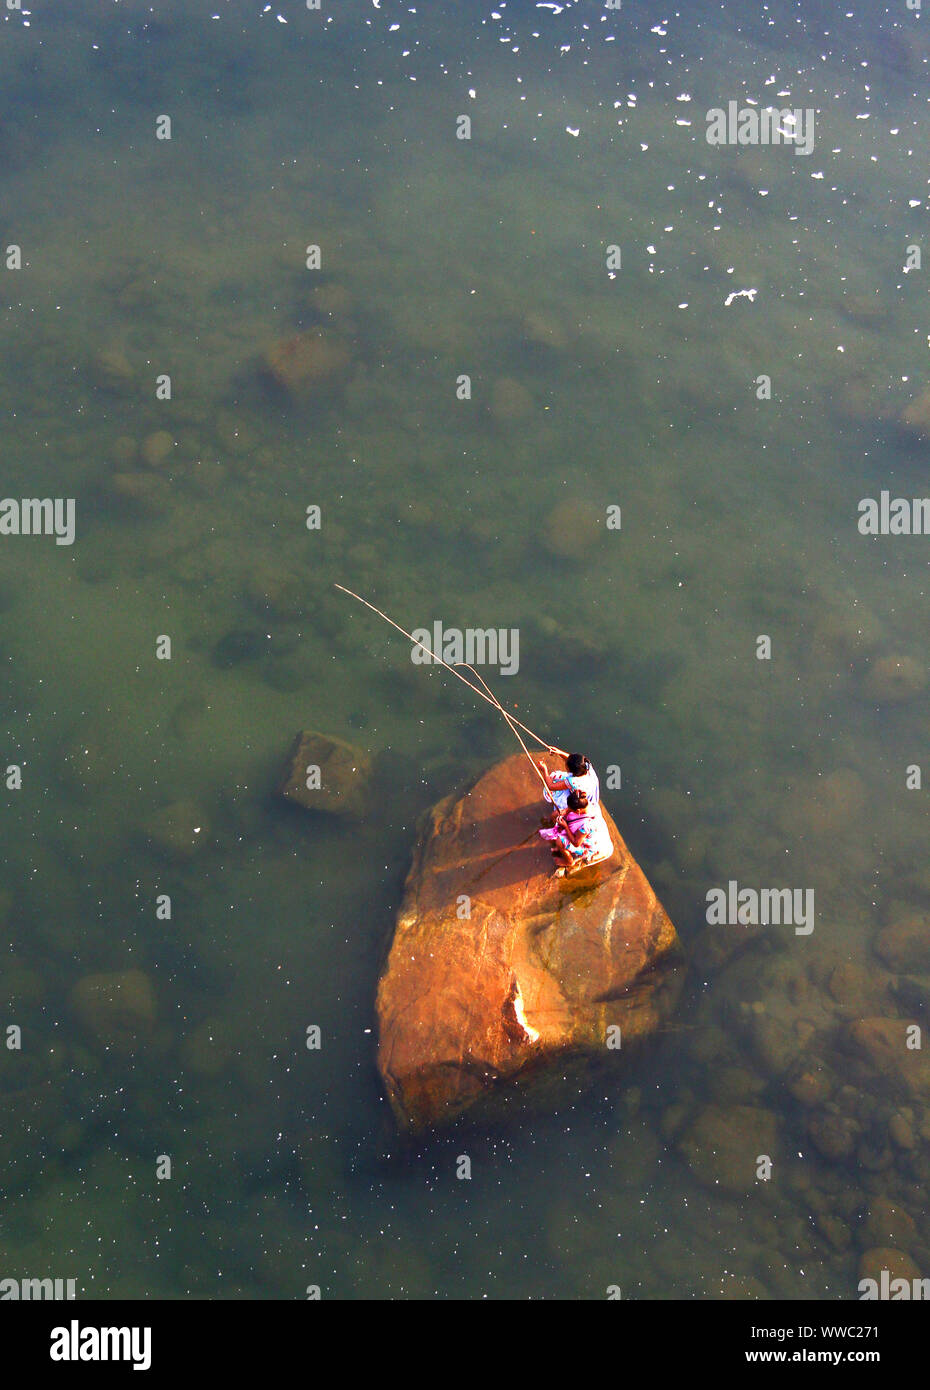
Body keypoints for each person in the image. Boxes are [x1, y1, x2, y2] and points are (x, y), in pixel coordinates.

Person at [538, 788, 612, 877]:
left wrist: (565, 826)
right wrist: (566, 811)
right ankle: (562, 849)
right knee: (556, 815)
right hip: (581, 833)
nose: (568, 809)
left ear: (578, 811)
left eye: (570, 808)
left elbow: (576, 843)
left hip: (587, 846)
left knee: (559, 841)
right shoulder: (587, 804)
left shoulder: (586, 826)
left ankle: (568, 861)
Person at [537, 751, 599, 823]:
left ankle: (551, 821)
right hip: (590, 793)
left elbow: (551, 786)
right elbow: (573, 760)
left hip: (581, 801)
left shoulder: (574, 781)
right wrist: (558, 752)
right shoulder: (587, 766)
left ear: (571, 770)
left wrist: (544, 770)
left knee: (557, 813)